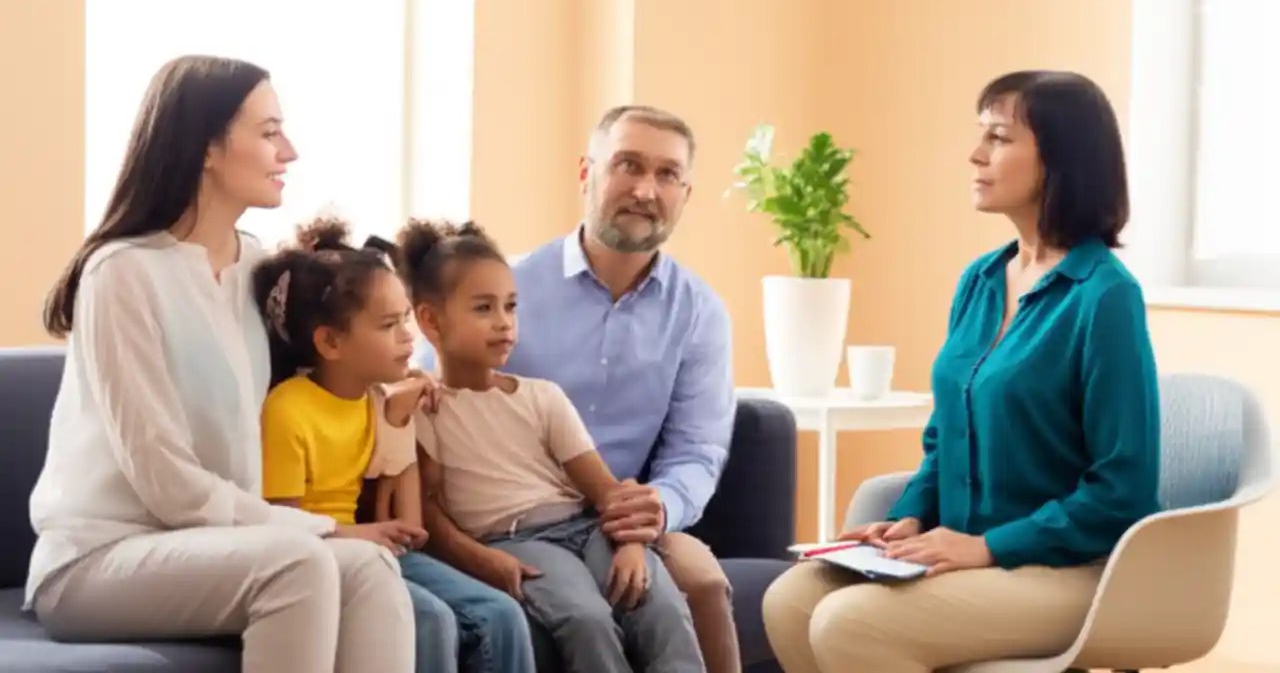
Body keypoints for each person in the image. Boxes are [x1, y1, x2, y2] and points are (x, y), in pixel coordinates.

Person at [761, 69, 1161, 672]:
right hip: (967, 554)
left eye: (999, 138)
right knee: (790, 600)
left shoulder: (1104, 297)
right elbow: (945, 442)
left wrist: (985, 547)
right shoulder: (979, 281)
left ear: (1060, 159)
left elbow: (1122, 490)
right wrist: (908, 517)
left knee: (852, 625)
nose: (976, 155)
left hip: (1066, 571)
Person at [26, 55, 416, 672]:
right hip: (100, 557)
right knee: (300, 562)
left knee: (369, 568)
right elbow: (163, 479)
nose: (289, 149)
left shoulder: (257, 268)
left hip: (219, 544)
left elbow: (315, 384)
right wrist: (315, 528)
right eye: (268, 132)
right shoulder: (121, 272)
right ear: (208, 146)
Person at [416, 104, 740, 672]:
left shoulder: (699, 312)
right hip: (508, 519)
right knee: (588, 614)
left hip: (626, 514)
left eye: (667, 175)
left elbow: (697, 449)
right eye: (628, 165)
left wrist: (653, 511)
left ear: (686, 193)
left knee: (703, 585)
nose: (645, 189)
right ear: (586, 173)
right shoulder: (506, 287)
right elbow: (429, 383)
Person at [390, 218, 705, 672]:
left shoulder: (542, 396)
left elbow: (604, 491)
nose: (504, 323)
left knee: (659, 605)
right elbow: (430, 514)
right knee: (586, 618)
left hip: (585, 526)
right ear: (430, 321)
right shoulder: (425, 410)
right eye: (483, 309)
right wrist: (486, 560)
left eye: (511, 307)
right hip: (514, 540)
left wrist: (634, 544)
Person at [253, 218, 536, 673]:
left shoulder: (376, 398)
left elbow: (411, 525)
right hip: (319, 555)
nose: (408, 337)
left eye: (406, 318)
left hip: (371, 548)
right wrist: (360, 534)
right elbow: (280, 527)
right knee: (431, 620)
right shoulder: (289, 409)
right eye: (389, 324)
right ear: (330, 342)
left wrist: (400, 420)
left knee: (501, 614)